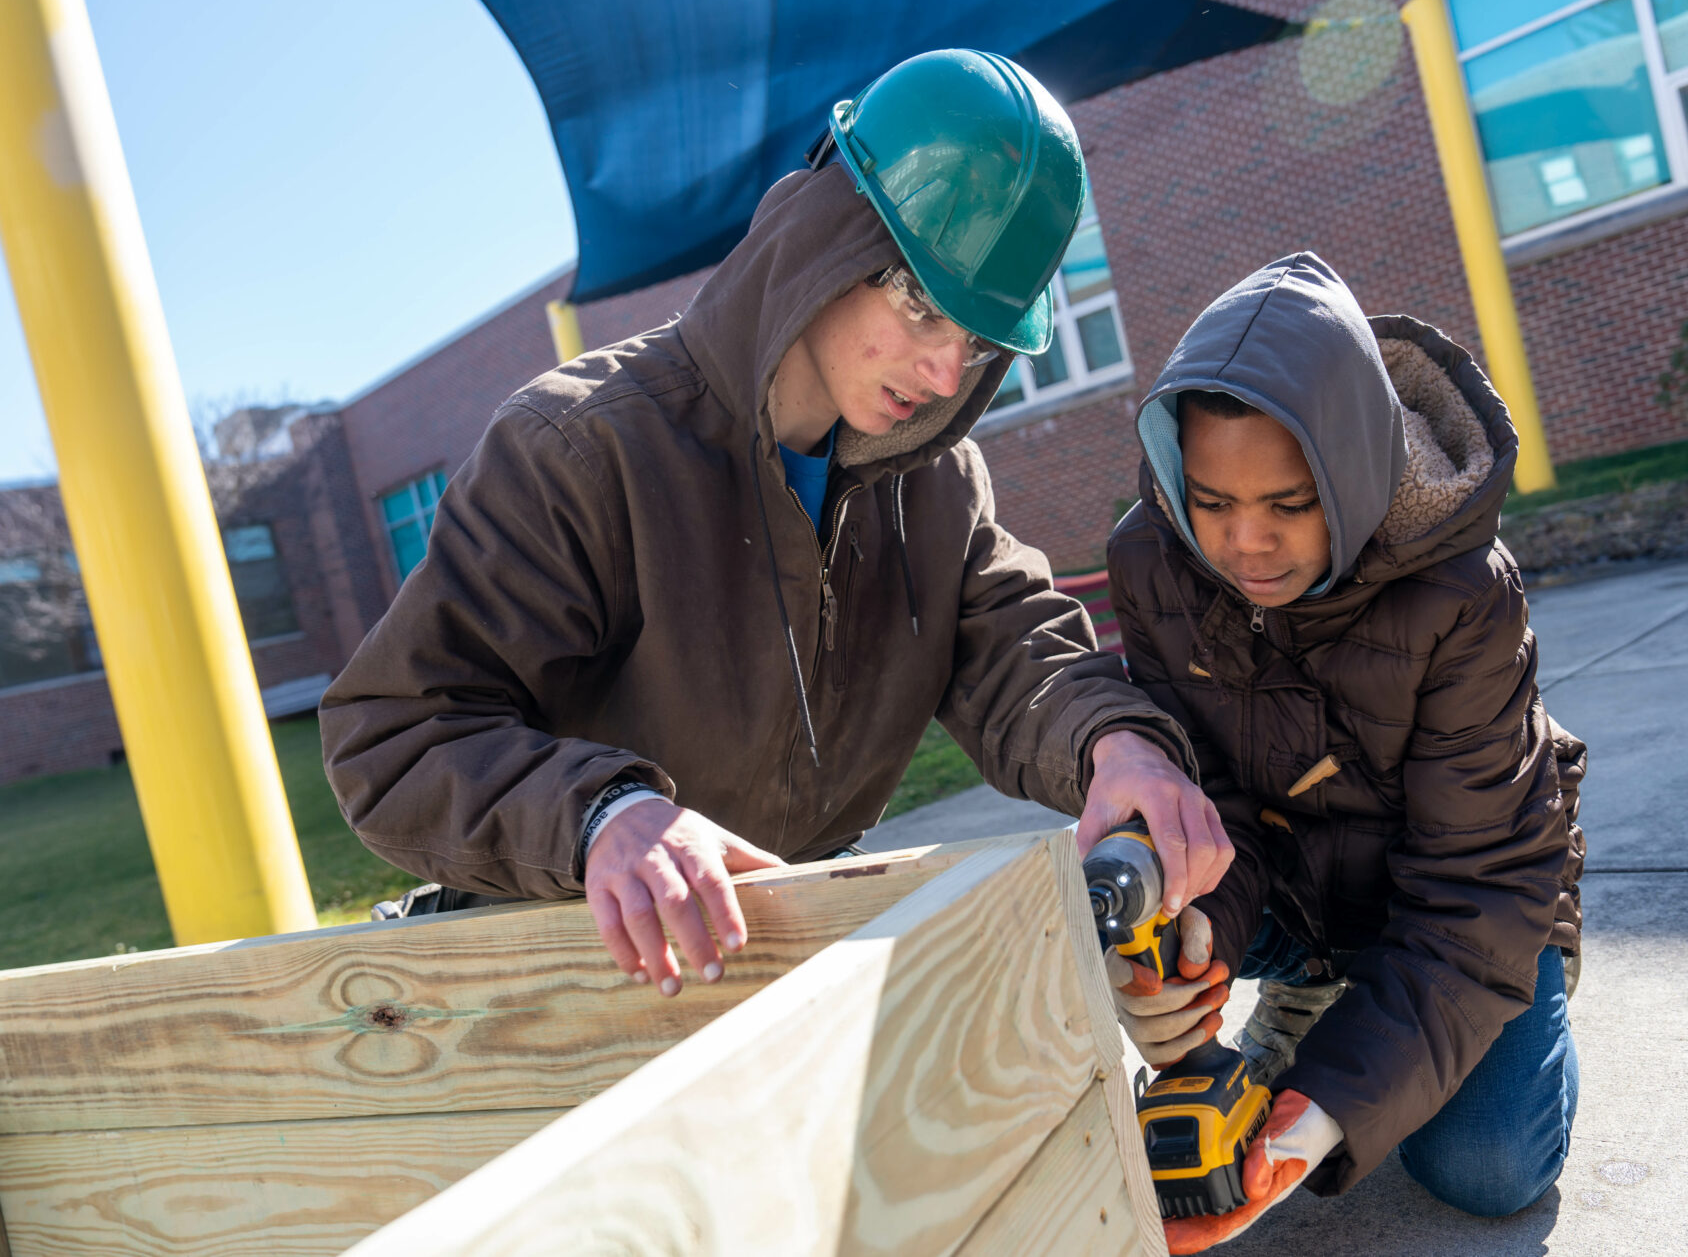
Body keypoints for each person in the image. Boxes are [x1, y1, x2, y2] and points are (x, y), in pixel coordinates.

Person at [320, 49, 1228, 997]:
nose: (943, 377)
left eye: (978, 340)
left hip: (784, 966)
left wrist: (1116, 745)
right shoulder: (582, 450)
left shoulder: (936, 482)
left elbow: (1017, 653)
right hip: (566, 977)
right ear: (829, 238)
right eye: (923, 308)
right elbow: (394, 735)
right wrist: (603, 815)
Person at [1099, 253, 1586, 1250]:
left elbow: (1471, 886)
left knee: (1486, 1167)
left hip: (1460, 904)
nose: (1243, 545)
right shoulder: (1151, 564)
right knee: (1154, 920)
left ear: (1354, 470)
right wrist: (1199, 949)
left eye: (1287, 505)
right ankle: (1314, 985)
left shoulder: (1462, 592)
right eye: (1211, 500)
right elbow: (1210, 798)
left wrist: (1307, 1118)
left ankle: (1517, 985)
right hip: (1289, 891)